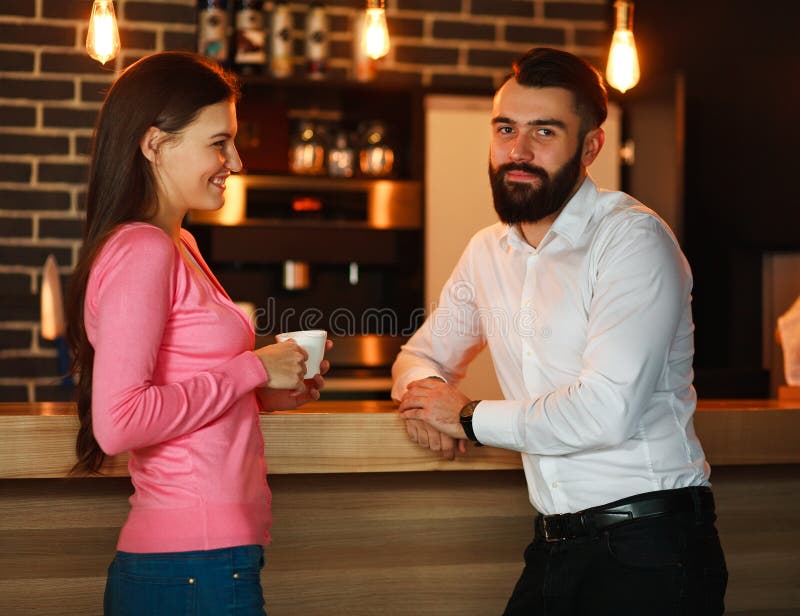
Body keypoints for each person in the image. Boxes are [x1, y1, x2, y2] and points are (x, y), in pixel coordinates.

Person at [393, 47, 727, 615]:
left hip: (650, 542)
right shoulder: (487, 251)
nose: (517, 152)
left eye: (544, 131)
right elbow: (421, 355)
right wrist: (425, 400)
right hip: (557, 539)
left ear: (590, 145)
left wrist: (468, 418)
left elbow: (606, 409)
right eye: (505, 129)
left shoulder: (631, 241)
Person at [65, 51, 330, 615]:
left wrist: (268, 391)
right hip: (189, 566)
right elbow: (120, 423)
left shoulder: (178, 244)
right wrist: (253, 367)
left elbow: (186, 388)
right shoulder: (142, 250)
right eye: (219, 142)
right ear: (155, 144)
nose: (235, 160)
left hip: (206, 559)